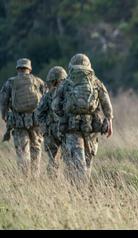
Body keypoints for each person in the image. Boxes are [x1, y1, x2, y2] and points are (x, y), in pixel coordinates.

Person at [52, 53, 113, 183]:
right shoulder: (96, 82)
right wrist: (109, 121)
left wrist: (63, 116)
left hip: (71, 127)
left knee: (76, 162)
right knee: (88, 160)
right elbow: (106, 103)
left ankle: (77, 189)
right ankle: (84, 191)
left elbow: (55, 105)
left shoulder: (66, 83)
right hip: (91, 128)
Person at [0, 58, 45, 176]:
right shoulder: (38, 81)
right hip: (35, 122)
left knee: (22, 150)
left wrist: (4, 115)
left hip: (18, 121)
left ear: (18, 69)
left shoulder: (10, 82)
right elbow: (45, 100)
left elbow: (3, 101)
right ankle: (35, 176)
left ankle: (24, 177)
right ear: (29, 69)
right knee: (36, 148)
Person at [36, 66, 68, 177]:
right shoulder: (67, 95)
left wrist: (45, 129)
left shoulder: (47, 95)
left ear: (52, 80)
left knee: (52, 159)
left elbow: (39, 113)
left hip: (51, 132)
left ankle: (52, 183)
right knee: (68, 159)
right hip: (65, 130)